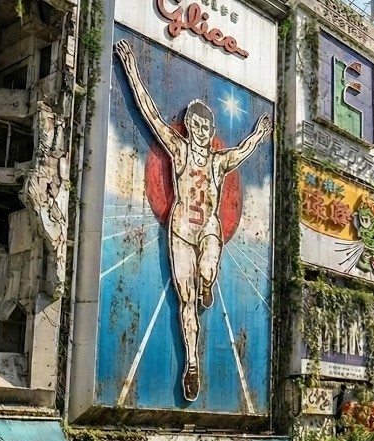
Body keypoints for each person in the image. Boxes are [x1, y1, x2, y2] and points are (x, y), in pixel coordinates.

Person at [115, 39, 272, 401]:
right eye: (195, 123)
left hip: (208, 228)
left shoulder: (218, 162)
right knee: (186, 303)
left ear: (210, 128)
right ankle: (191, 363)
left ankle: (208, 281)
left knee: (210, 256)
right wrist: (130, 67)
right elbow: (150, 112)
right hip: (182, 229)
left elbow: (243, 151)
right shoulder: (179, 150)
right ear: (188, 125)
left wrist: (261, 133)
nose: (200, 129)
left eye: (206, 124)